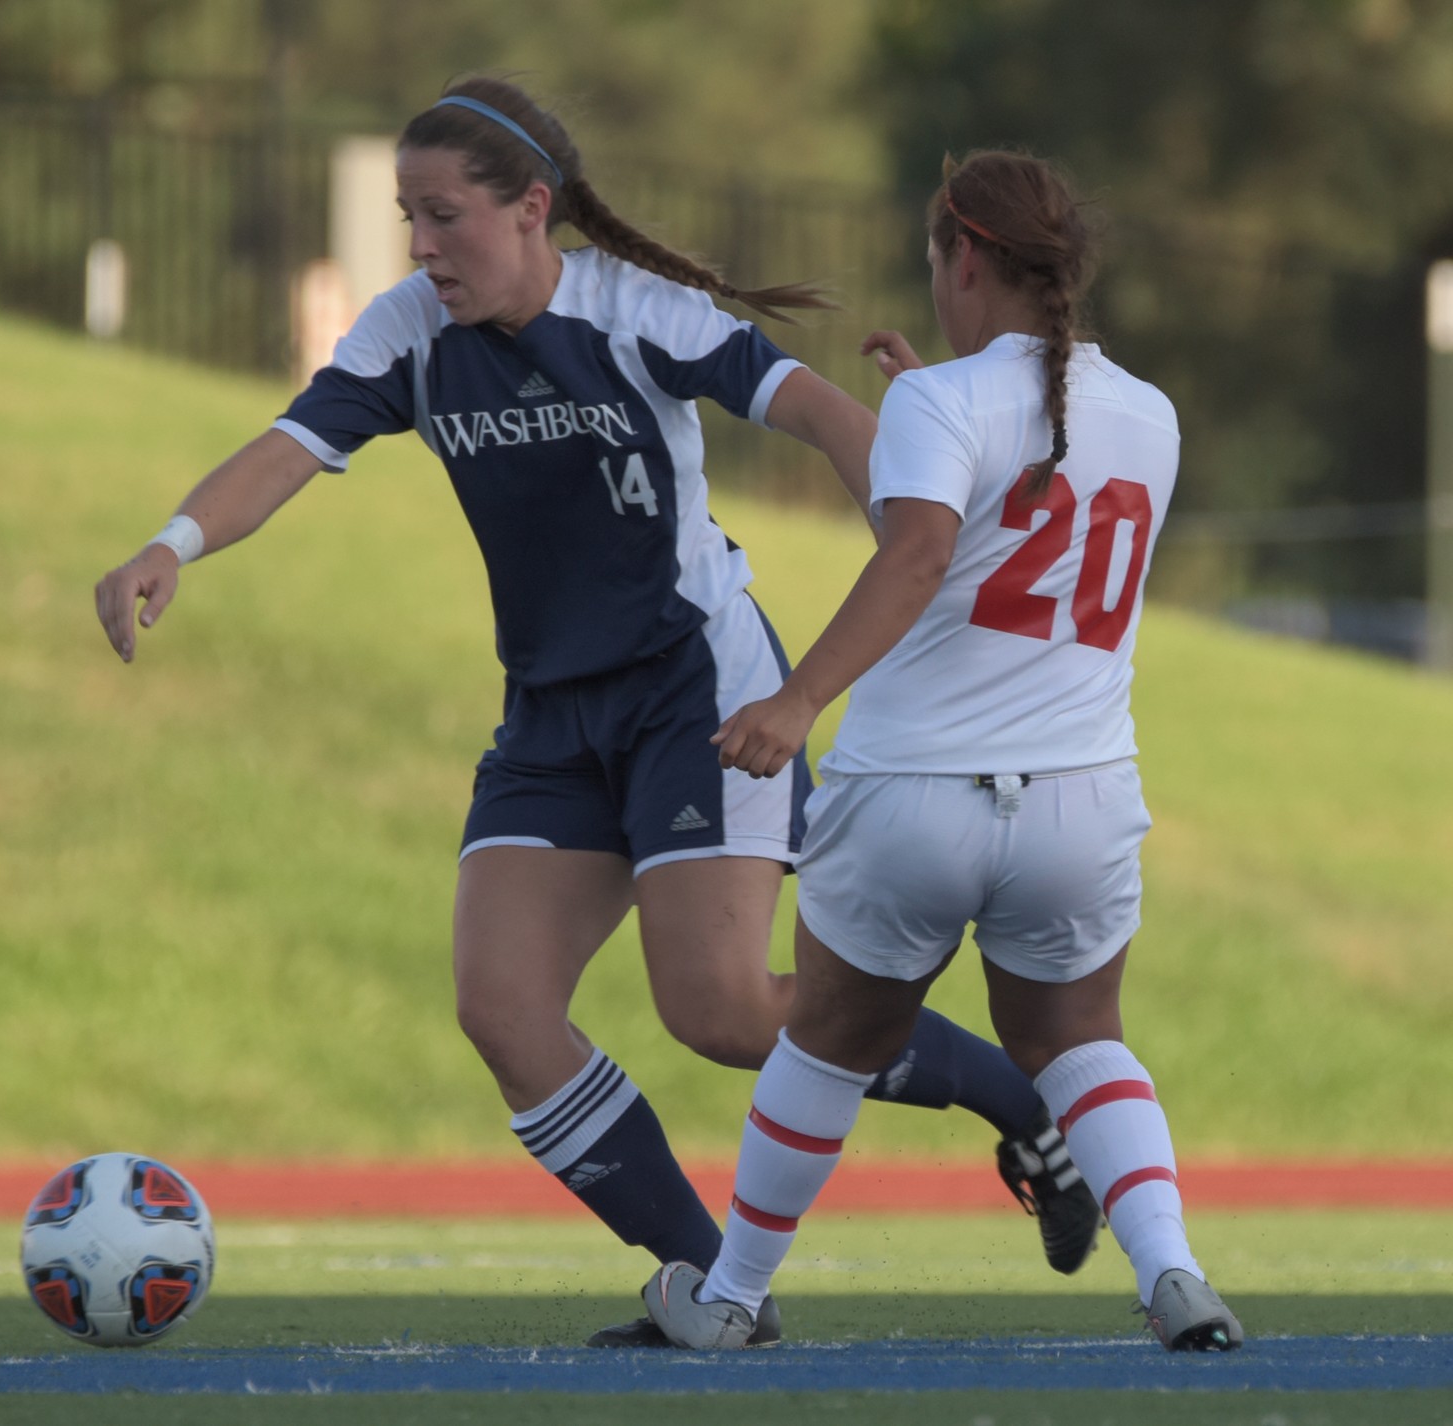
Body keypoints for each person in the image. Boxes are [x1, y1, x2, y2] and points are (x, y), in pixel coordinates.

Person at [93, 82, 1101, 1348]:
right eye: (407, 216)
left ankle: (1025, 1104)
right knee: (503, 1008)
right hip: (552, 715)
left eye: (442, 215)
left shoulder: (636, 312)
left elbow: (825, 418)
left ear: (530, 211)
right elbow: (289, 445)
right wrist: (172, 542)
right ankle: (714, 1289)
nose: (417, 245)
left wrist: (909, 544)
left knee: (724, 1014)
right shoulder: (410, 331)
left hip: (701, 690)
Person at [639, 149, 1242, 1353]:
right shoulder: (1151, 415)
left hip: (913, 794)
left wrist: (798, 698)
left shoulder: (942, 406)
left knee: (827, 1037)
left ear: (964, 259)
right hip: (1078, 799)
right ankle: (1172, 1269)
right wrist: (937, 405)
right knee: (1077, 1039)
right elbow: (1022, 530)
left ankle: (728, 1294)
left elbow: (922, 557)